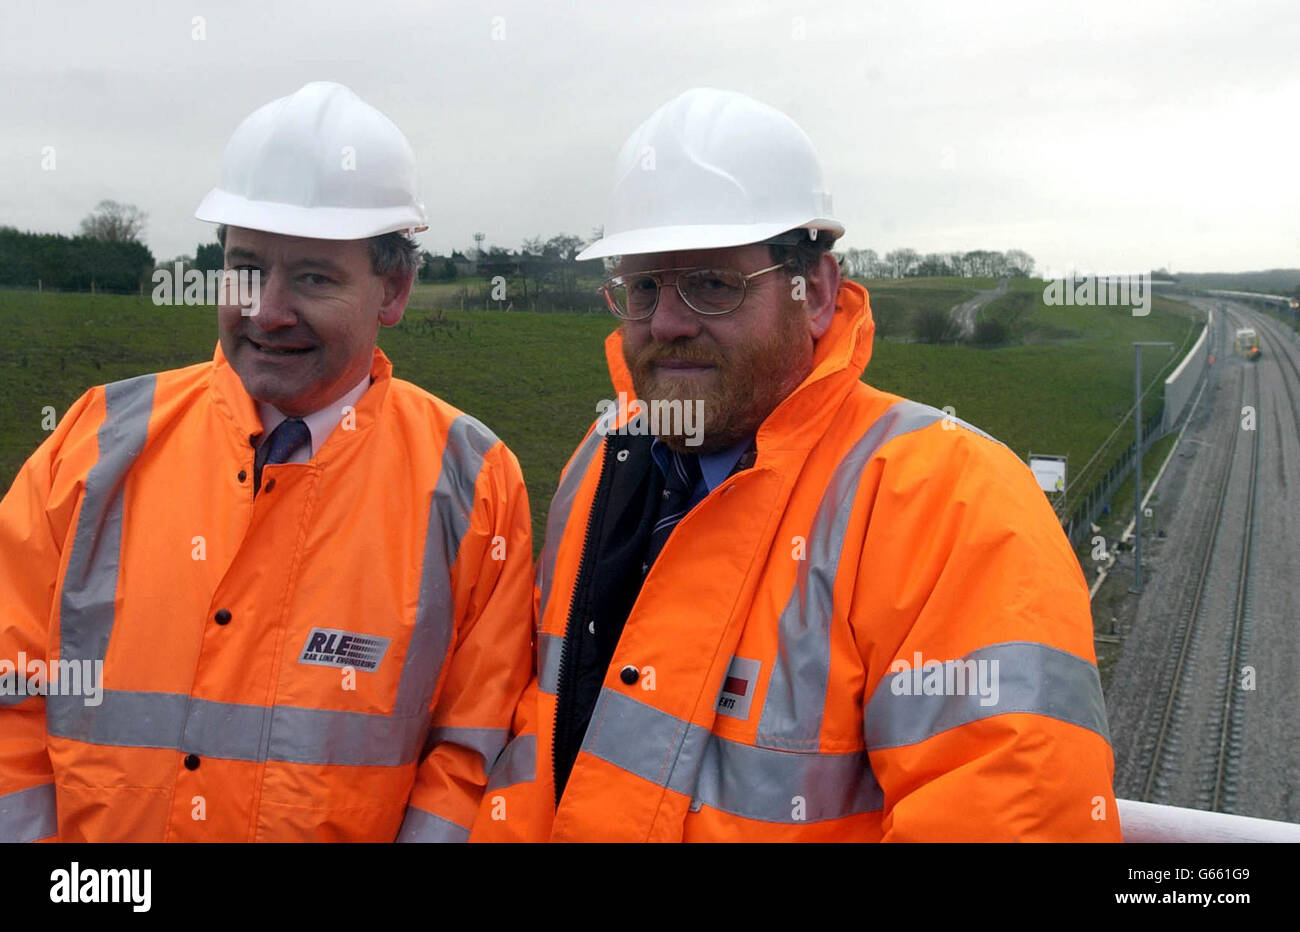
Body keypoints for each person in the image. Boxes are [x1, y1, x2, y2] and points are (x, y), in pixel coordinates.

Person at [473, 88, 1120, 841]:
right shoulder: (602, 461)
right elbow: (539, 740)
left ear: (813, 292)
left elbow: (1014, 816)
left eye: (711, 284)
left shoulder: (949, 500)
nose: (668, 322)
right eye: (643, 287)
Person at [0, 82, 533, 842]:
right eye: (246, 267)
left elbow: (472, 761)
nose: (267, 309)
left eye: (314, 276)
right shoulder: (94, 440)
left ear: (395, 288)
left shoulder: (473, 482)